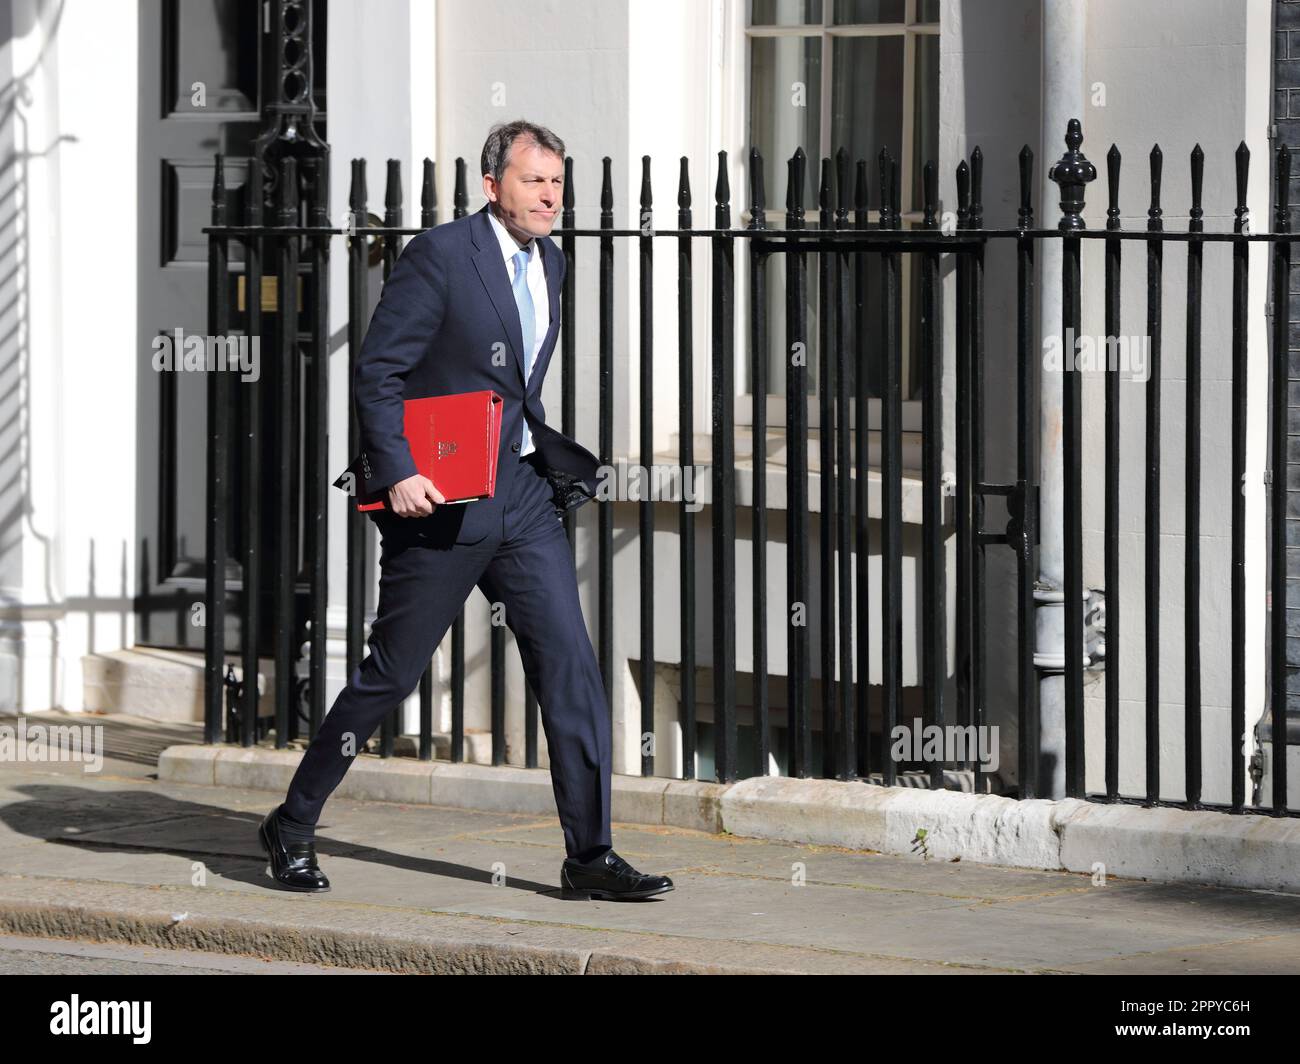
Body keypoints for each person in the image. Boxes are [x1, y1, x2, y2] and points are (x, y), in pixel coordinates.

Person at [257, 119, 673, 902]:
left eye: (557, 181)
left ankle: (589, 852)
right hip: (442, 503)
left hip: (516, 494)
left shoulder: (551, 261)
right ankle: (294, 821)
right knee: (392, 674)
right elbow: (379, 370)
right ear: (492, 187)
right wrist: (401, 470)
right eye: (533, 181)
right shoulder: (441, 257)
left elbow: (513, 382)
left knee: (571, 666)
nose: (551, 196)